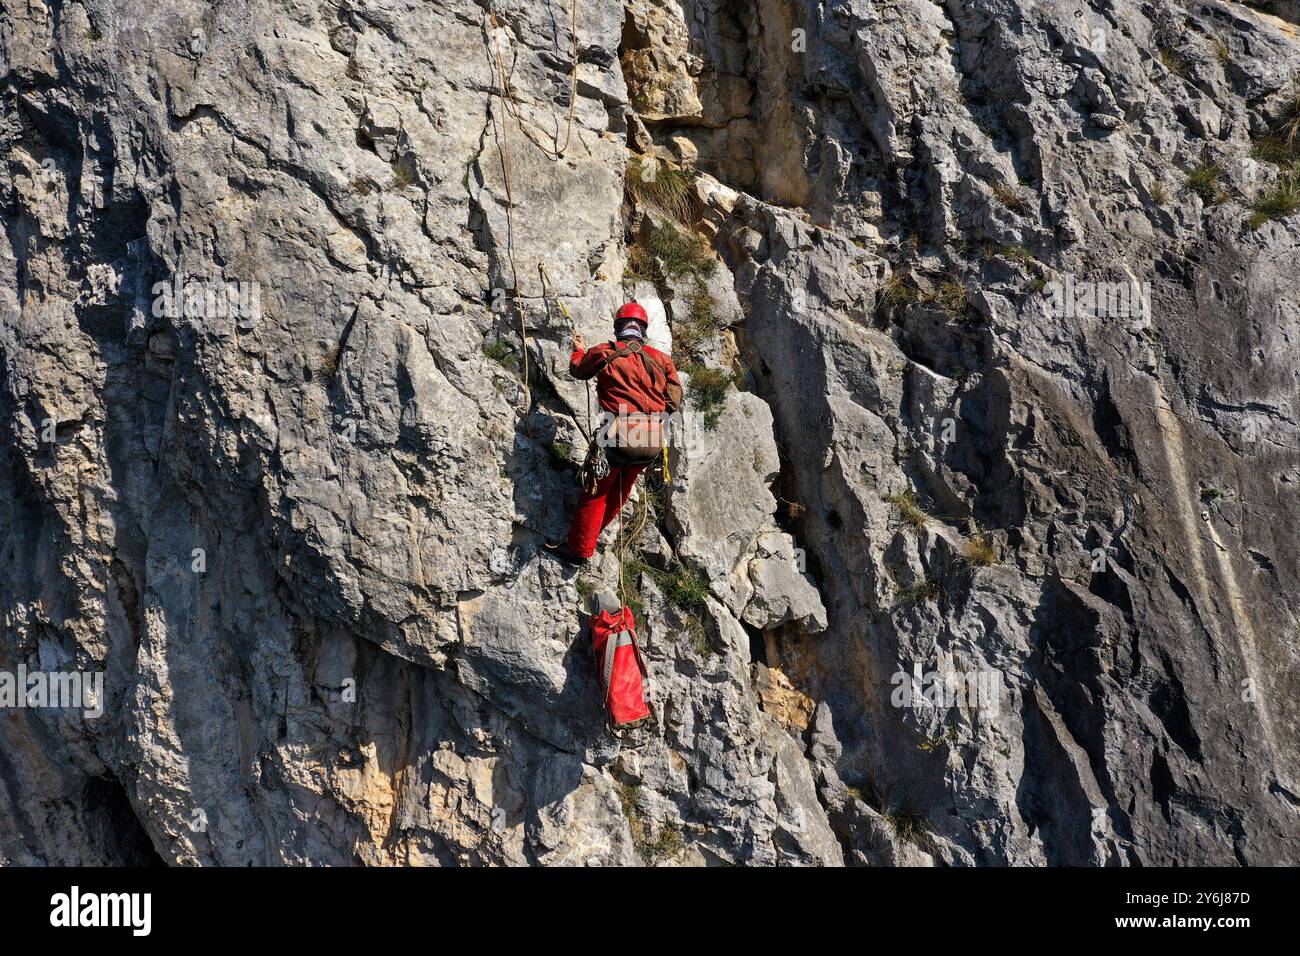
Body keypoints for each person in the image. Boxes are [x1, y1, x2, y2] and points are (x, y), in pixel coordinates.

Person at [552, 302, 681, 564]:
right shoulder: (662, 360)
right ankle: (593, 532)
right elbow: (674, 401)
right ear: (642, 329)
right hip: (652, 439)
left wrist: (578, 352)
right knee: (620, 491)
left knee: (596, 491)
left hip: (618, 434)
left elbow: (579, 370)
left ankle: (579, 550)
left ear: (618, 327)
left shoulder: (606, 352)